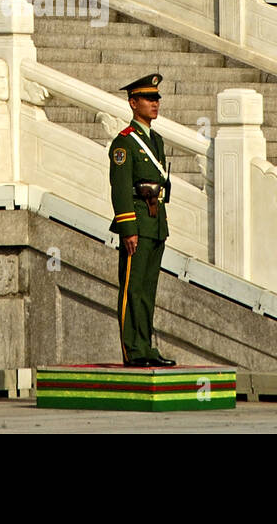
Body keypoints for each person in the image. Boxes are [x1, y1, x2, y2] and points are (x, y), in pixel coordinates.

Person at [108, 73, 176, 367]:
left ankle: (146, 347)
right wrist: (128, 229)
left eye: (157, 99)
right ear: (133, 103)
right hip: (136, 223)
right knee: (132, 288)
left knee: (148, 289)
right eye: (149, 99)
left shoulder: (156, 140)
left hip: (156, 222)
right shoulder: (124, 143)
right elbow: (120, 188)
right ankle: (133, 350)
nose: (155, 104)